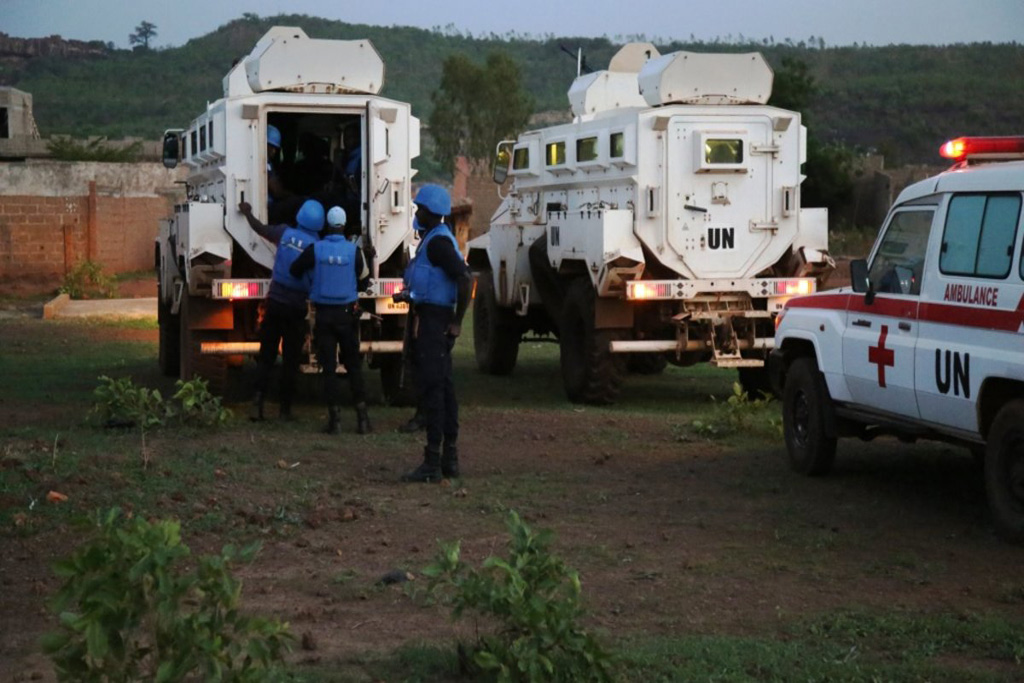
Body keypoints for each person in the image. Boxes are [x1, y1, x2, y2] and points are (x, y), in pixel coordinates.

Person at [398, 185, 472, 482]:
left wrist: (457, 320)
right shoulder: (434, 239)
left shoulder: (439, 243)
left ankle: (432, 463)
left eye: (419, 209)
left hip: (434, 322)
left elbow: (464, 279)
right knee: (443, 387)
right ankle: (448, 460)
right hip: (429, 316)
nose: (417, 213)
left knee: (433, 389)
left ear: (431, 212)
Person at [239, 198, 324, 421]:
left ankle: (257, 405)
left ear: (300, 217)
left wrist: (247, 213)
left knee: (266, 356)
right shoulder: (316, 247)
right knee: (290, 359)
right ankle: (285, 410)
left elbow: (260, 228)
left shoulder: (283, 234)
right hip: (296, 308)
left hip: (275, 304)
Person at [290, 205, 372, 435]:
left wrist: (314, 279)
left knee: (328, 368)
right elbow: (365, 283)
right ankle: (362, 419)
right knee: (354, 366)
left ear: (327, 225)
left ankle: (334, 421)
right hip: (347, 316)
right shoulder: (354, 252)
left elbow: (295, 270)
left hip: (324, 316)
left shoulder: (315, 249)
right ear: (344, 226)